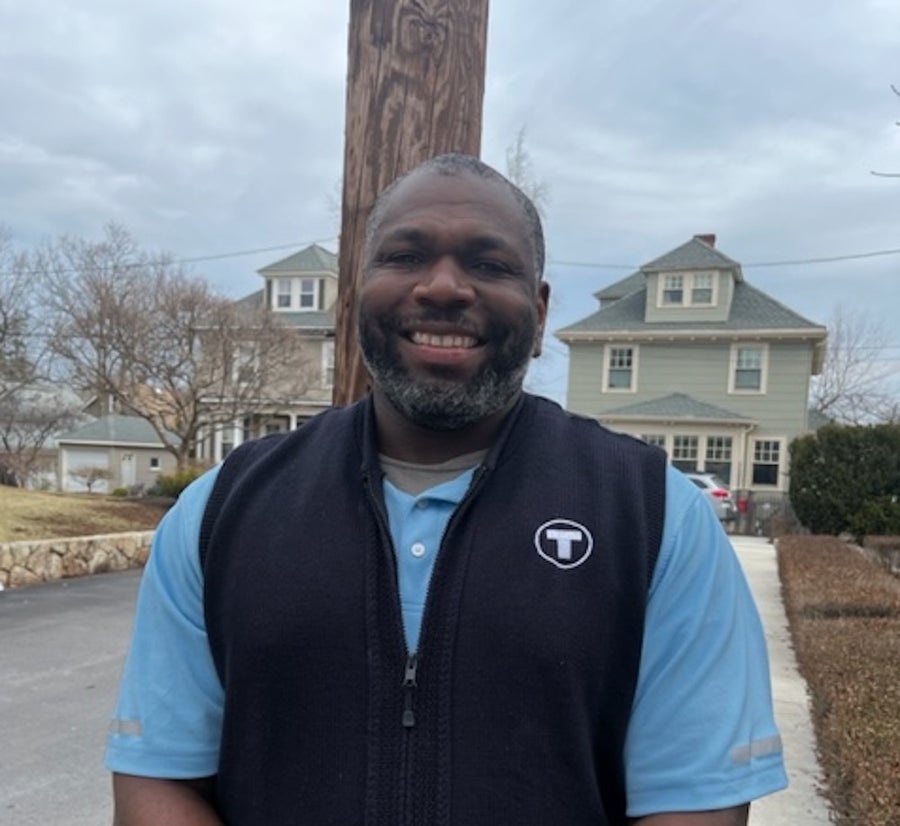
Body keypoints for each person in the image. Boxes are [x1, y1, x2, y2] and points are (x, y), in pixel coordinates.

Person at [105, 154, 788, 825]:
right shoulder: (222, 512)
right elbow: (156, 781)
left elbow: (696, 806)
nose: (443, 287)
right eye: (405, 256)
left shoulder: (656, 520)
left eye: (489, 264)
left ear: (542, 312)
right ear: (356, 294)